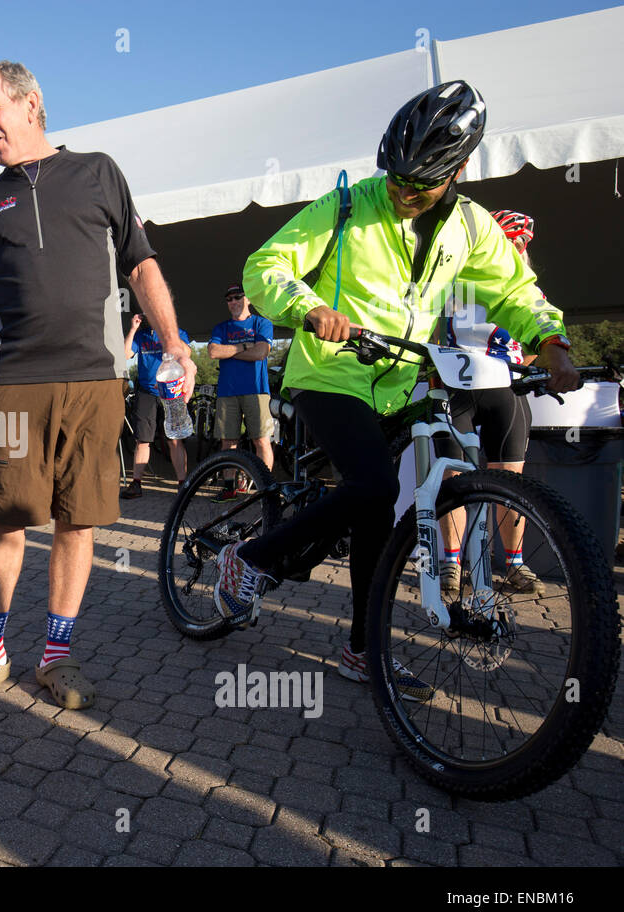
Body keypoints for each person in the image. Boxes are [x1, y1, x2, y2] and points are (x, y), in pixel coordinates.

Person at [221, 80, 578, 698]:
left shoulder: (472, 226)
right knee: (376, 486)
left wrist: (552, 340)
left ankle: (362, 648)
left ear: (460, 169)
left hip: (398, 382)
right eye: (395, 177)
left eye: (421, 183)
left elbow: (516, 291)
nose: (403, 192)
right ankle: (248, 558)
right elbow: (265, 266)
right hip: (329, 369)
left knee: (380, 512)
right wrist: (308, 309)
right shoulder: (347, 206)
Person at [0, 60, 194, 711]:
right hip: (14, 384)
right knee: (8, 519)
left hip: (95, 380)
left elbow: (143, 265)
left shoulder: (98, 172)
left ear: (30, 103)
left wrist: (177, 340)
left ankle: (56, 659)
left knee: (79, 521)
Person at [435, 209, 544, 596]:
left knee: (509, 482)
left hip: (504, 392)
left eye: (519, 244)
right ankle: (450, 562)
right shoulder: (456, 282)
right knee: (453, 479)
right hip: (456, 390)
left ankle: (513, 562)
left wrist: (516, 365)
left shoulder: (528, 291)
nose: (513, 249)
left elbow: (537, 344)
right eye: (506, 241)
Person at [208, 284, 275, 490]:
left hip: (257, 390)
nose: (234, 302)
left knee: (261, 441)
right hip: (228, 391)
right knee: (228, 443)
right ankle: (230, 487)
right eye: (229, 299)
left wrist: (230, 351)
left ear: (248, 299)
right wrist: (246, 346)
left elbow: (260, 353)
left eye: (238, 297)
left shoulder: (261, 323)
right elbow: (213, 352)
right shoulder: (221, 327)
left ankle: (264, 488)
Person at [120, 313, 193, 499]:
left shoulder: (177, 333)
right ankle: (136, 483)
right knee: (143, 440)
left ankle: (182, 484)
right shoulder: (142, 335)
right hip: (147, 393)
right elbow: (125, 354)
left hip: (171, 392)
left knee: (174, 439)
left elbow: (187, 353)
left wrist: (169, 334)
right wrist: (133, 329)